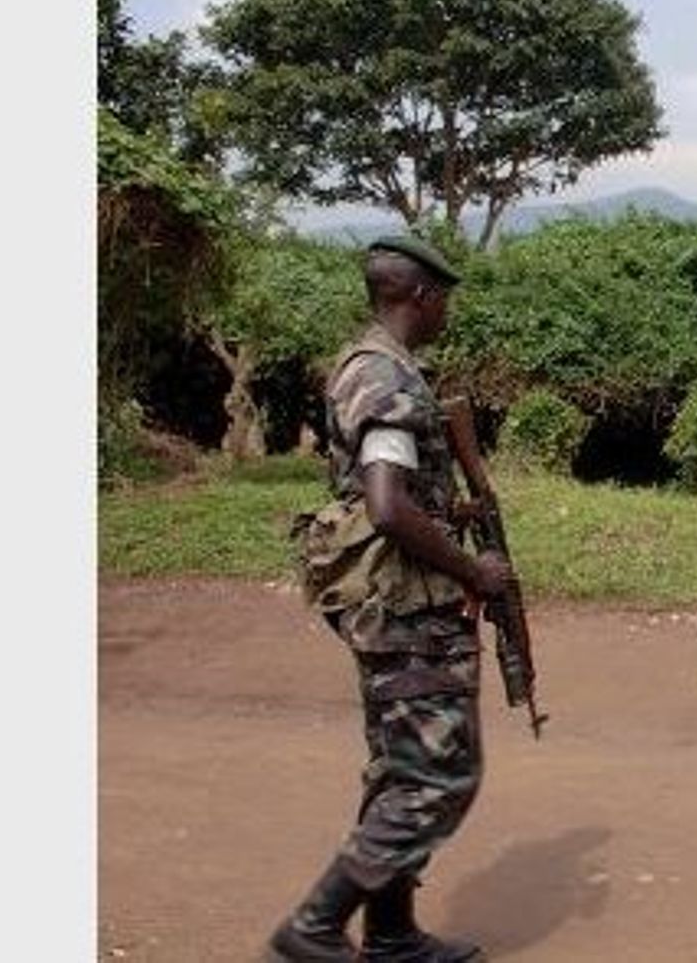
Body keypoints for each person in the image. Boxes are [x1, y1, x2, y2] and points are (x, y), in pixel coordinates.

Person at [272, 235, 515, 963]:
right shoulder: (388, 378)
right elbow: (385, 504)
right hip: (406, 607)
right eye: (445, 299)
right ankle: (314, 925)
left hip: (388, 599)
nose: (448, 312)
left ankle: (393, 935)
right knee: (440, 773)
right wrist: (475, 571)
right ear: (420, 295)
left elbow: (388, 487)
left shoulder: (373, 364)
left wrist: (450, 511)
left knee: (400, 767)